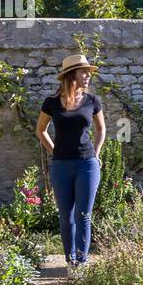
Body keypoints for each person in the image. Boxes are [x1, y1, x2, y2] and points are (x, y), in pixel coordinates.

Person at [35, 54, 106, 268]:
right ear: (71, 75)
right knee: (66, 216)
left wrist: (96, 152)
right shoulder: (52, 103)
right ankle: (70, 260)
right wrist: (54, 152)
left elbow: (101, 129)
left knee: (83, 214)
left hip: (87, 164)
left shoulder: (92, 101)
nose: (88, 76)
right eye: (84, 72)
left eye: (88, 72)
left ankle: (81, 263)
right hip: (61, 166)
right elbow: (41, 130)